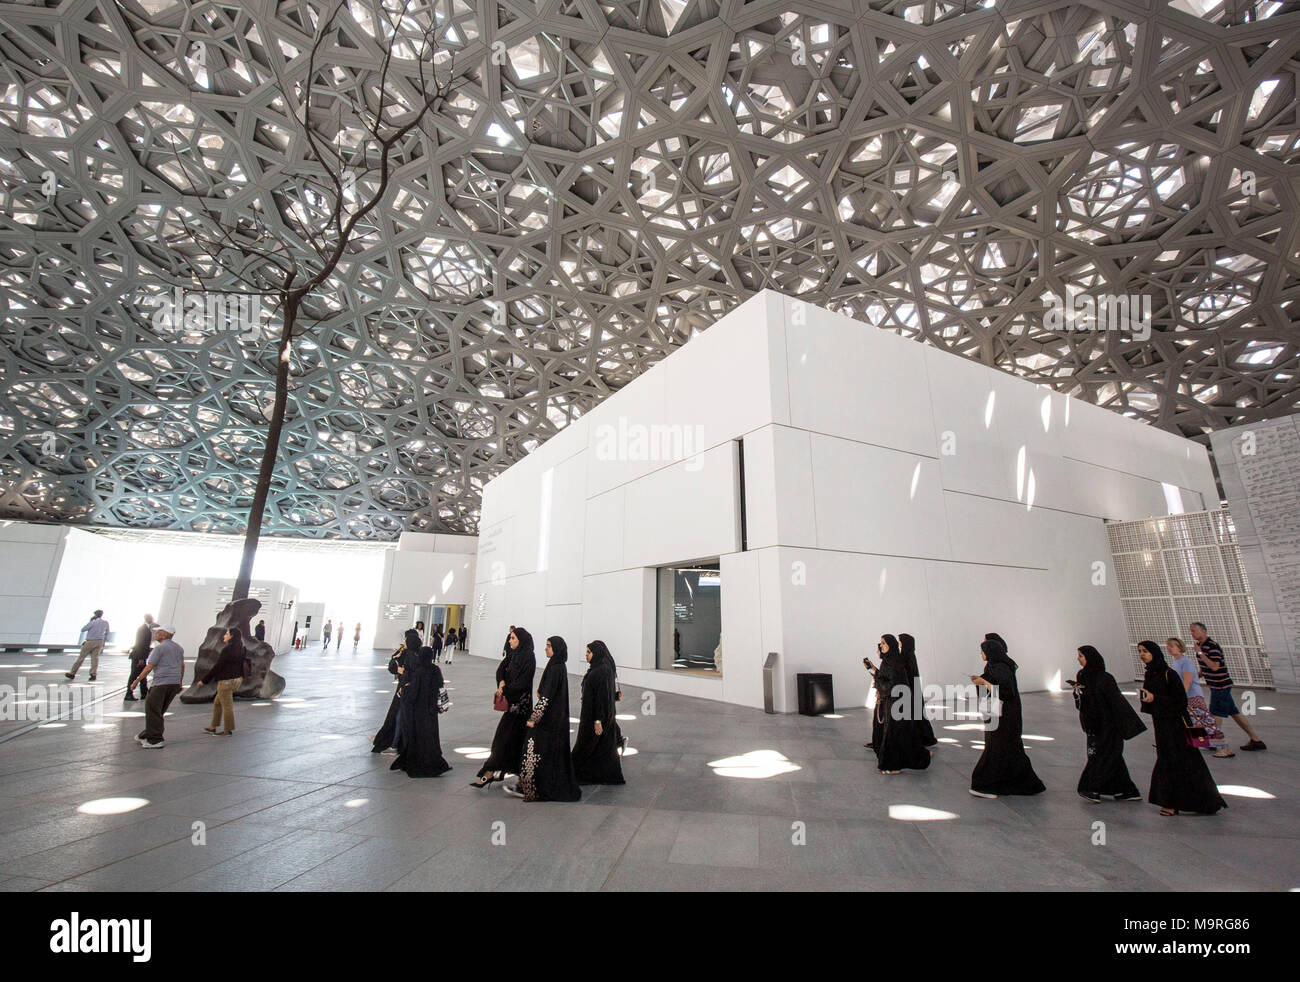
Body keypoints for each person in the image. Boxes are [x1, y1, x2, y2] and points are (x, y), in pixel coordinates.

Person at [1138, 639, 1227, 816]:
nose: (1142, 655)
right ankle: (1185, 801)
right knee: (1175, 761)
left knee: (1178, 762)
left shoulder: (1168, 674)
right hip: (1162, 723)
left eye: (1145, 651)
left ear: (1154, 653)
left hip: (1176, 725)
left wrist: (1156, 699)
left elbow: (1180, 701)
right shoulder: (1150, 674)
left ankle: (1176, 802)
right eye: (1140, 651)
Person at [506, 636, 581, 801]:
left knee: (531, 748)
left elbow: (546, 696)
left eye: (549, 646)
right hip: (553, 720)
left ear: (557, 648)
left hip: (548, 720)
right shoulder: (557, 665)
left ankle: (530, 788)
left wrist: (534, 717)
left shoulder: (555, 668)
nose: (546, 649)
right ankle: (528, 785)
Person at [968, 636, 1045, 798]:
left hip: (1005, 716)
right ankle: (1021, 782)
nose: (981, 654)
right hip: (1001, 713)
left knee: (998, 746)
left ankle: (984, 785)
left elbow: (1005, 691)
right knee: (1008, 748)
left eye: (982, 651)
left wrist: (983, 682)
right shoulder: (995, 665)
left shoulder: (1001, 668)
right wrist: (981, 681)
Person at [1069, 645, 1144, 801]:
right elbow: (1085, 702)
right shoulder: (1082, 675)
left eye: (1081, 656)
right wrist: (1078, 693)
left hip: (1108, 725)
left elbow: (1116, 703)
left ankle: (1091, 788)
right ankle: (1126, 790)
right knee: (1112, 757)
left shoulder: (1105, 678)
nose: (1078, 659)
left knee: (1101, 756)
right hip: (1093, 724)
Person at [472, 627, 535, 788]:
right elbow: (500, 670)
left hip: (521, 708)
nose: (510, 641)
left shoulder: (528, 657)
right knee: (507, 740)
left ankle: (492, 772)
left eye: (513, 638)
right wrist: (501, 683)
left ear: (521, 640)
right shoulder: (513, 655)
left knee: (507, 740)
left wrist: (505, 689)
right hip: (512, 706)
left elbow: (524, 682)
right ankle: (494, 772)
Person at [1190, 622, 1265, 752]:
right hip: (1215, 685)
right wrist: (1197, 676)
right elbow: (1205, 666)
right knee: (1234, 713)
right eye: (1191, 631)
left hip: (1220, 685)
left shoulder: (1211, 646)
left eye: (1193, 631)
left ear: (1202, 631)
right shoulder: (1200, 646)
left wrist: (1201, 653)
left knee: (1215, 713)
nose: (1192, 634)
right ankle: (1256, 740)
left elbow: (1215, 666)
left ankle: (1217, 743)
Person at [862, 635, 931, 774]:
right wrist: (871, 668)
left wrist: (879, 685)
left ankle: (894, 765)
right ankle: (916, 757)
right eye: (880, 643)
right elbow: (882, 678)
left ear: (891, 646)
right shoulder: (888, 661)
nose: (881, 646)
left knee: (897, 734)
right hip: (891, 702)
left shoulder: (895, 663)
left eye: (883, 643)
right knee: (899, 734)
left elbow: (890, 685)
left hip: (897, 703)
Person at [390, 645, 452, 778]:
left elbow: (413, 694)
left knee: (419, 737)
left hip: (419, 711)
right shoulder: (435, 670)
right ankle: (433, 762)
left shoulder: (419, 672)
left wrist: (404, 691)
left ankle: (418, 762)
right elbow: (440, 685)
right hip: (431, 711)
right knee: (430, 737)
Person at [572, 640, 625, 784]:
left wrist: (597, 720)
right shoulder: (603, 668)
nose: (586, 655)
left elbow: (601, 696)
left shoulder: (600, 671)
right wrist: (614, 697)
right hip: (595, 714)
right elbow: (606, 693)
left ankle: (580, 772)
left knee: (587, 745)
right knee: (600, 747)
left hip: (593, 715)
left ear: (597, 653)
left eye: (589, 652)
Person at [1167, 637, 1229, 757]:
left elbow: (1187, 681)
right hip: (1186, 698)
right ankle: (1205, 743)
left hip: (1193, 697)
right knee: (1195, 723)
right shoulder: (1176, 662)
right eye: (1168, 646)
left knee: (1206, 722)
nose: (1169, 648)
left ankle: (1224, 748)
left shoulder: (1186, 662)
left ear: (1179, 648)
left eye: (1172, 646)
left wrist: (1181, 696)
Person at [132, 624, 184, 749]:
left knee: (153, 709)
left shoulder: (159, 649)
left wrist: (137, 681)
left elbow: (149, 667)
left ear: (164, 634)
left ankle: (155, 740)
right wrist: (180, 682)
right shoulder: (179, 648)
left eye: (158, 632)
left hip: (161, 683)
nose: (155, 634)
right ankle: (147, 734)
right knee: (159, 710)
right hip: (174, 683)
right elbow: (182, 666)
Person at [372, 629, 421, 754]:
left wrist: (402, 673)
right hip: (407, 689)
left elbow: (407, 672)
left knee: (399, 716)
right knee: (399, 716)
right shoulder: (413, 654)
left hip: (405, 690)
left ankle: (394, 745)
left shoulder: (410, 655)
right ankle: (392, 742)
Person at [195, 627, 246, 735]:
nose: (224, 635)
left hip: (226, 681)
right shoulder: (241, 648)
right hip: (236, 679)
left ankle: (228, 729)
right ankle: (213, 726)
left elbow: (218, 666)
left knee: (227, 706)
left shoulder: (227, 650)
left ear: (231, 636)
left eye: (226, 634)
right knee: (218, 702)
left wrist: (204, 680)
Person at [899, 633, 937, 746]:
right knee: (918, 716)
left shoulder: (906, 656)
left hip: (910, 690)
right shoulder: (909, 655)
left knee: (917, 716)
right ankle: (926, 738)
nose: (899, 643)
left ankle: (926, 739)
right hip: (912, 689)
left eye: (900, 640)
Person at [66, 609, 110, 682]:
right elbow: (107, 632)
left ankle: (72, 673)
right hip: (100, 641)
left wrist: (90, 622)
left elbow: (83, 629)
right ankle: (93, 674)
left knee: (81, 658)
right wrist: (103, 641)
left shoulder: (93, 622)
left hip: (90, 641)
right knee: (95, 659)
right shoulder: (105, 622)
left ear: (95, 615)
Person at [124, 613, 155, 702]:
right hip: (139, 657)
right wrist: (141, 658)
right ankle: (129, 694)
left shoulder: (145, 628)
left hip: (141, 656)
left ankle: (144, 693)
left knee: (143, 675)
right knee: (134, 675)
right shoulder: (143, 629)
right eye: (151, 617)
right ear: (147, 618)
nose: (152, 619)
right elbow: (141, 643)